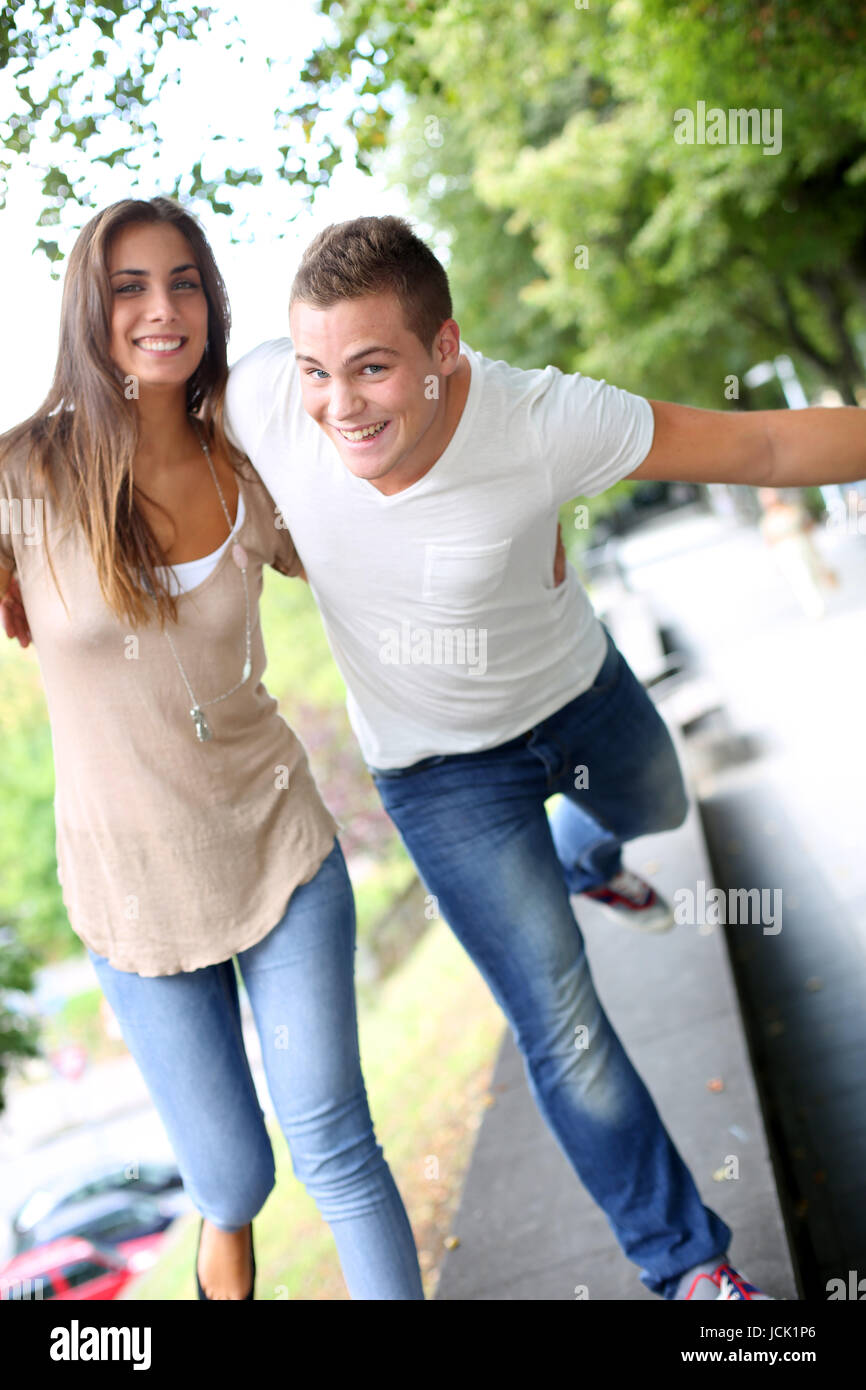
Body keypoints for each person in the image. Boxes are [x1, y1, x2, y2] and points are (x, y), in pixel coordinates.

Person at [0, 198, 426, 1301]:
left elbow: (373, 525)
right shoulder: (24, 479)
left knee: (333, 1138)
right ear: (88, 311)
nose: (162, 308)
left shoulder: (252, 452)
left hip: (278, 846)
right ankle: (220, 1221)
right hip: (132, 893)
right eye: (131, 286)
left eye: (184, 281)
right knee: (234, 1175)